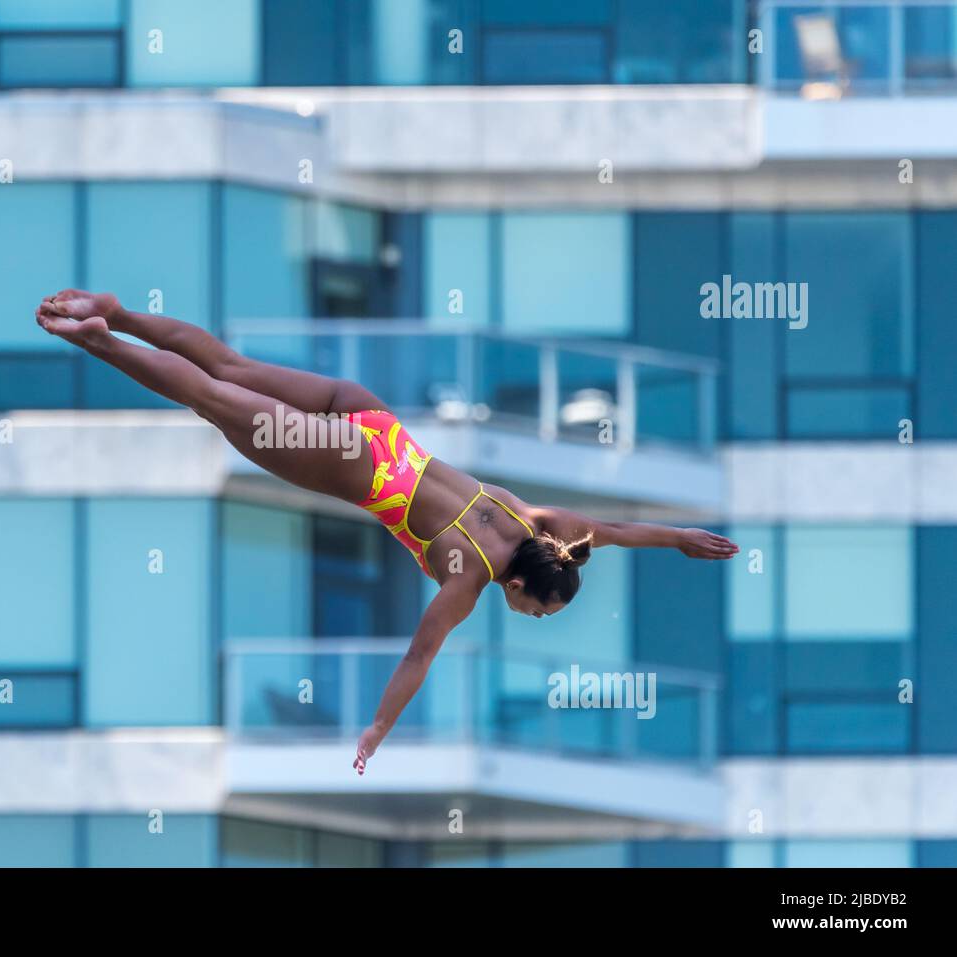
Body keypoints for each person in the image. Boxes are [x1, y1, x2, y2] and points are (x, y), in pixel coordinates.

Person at [36, 290, 738, 775]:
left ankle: (116, 310)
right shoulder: (470, 578)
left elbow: (614, 529)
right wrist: (378, 727)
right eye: (537, 607)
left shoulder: (537, 520)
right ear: (523, 583)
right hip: (353, 462)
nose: (528, 613)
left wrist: (679, 537)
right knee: (215, 400)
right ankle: (98, 339)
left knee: (230, 368)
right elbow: (418, 657)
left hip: (374, 421)